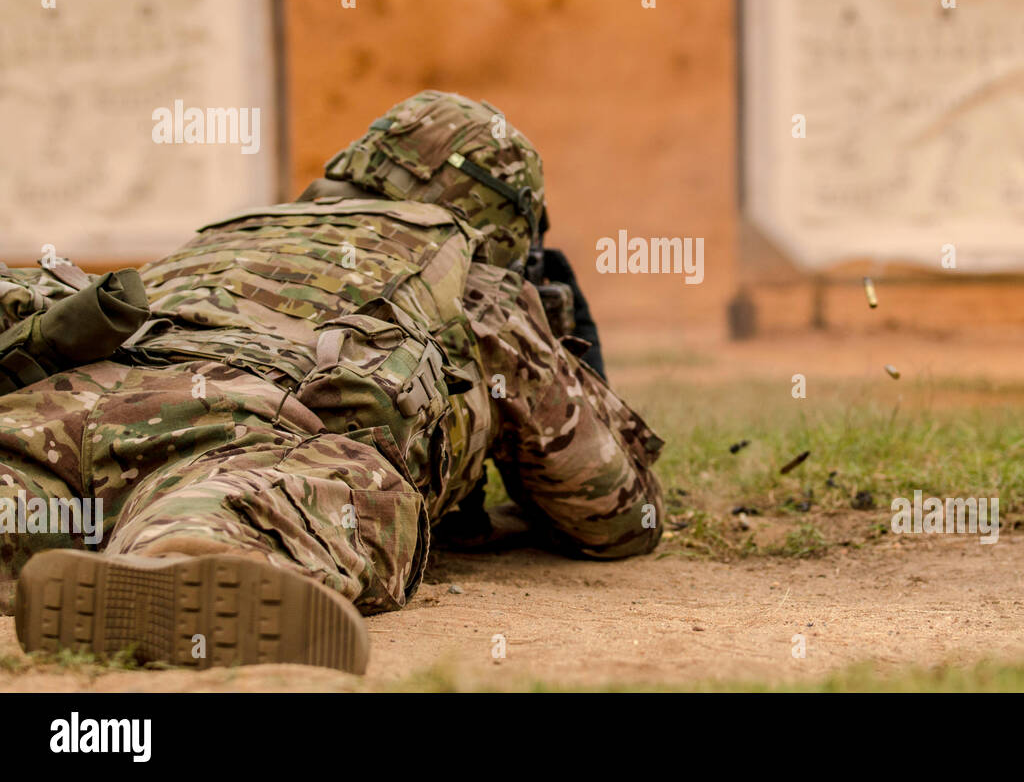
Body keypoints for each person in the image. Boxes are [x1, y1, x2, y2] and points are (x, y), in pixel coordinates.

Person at [0, 90, 663, 674]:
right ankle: (183, 558)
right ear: (505, 218)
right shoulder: (478, 279)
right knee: (303, 486)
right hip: (251, 433)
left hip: (62, 411)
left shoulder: (224, 234)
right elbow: (608, 509)